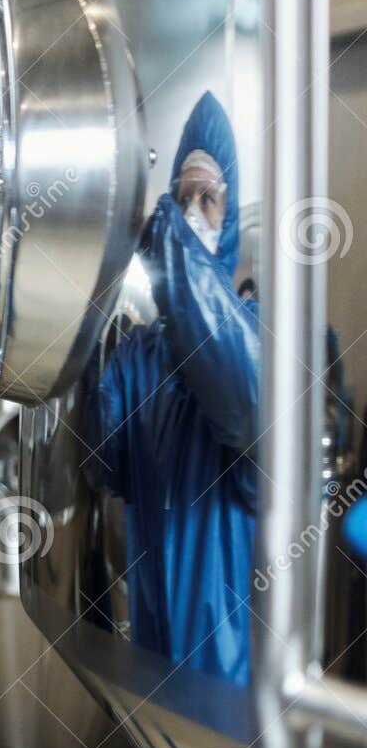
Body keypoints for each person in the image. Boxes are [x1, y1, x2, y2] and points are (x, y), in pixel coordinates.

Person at [91, 92, 259, 684]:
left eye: (208, 199)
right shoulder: (138, 354)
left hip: (235, 648)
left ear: (231, 215)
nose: (192, 212)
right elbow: (102, 463)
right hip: (152, 624)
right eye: (182, 197)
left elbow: (239, 394)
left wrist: (161, 229)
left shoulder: (259, 334)